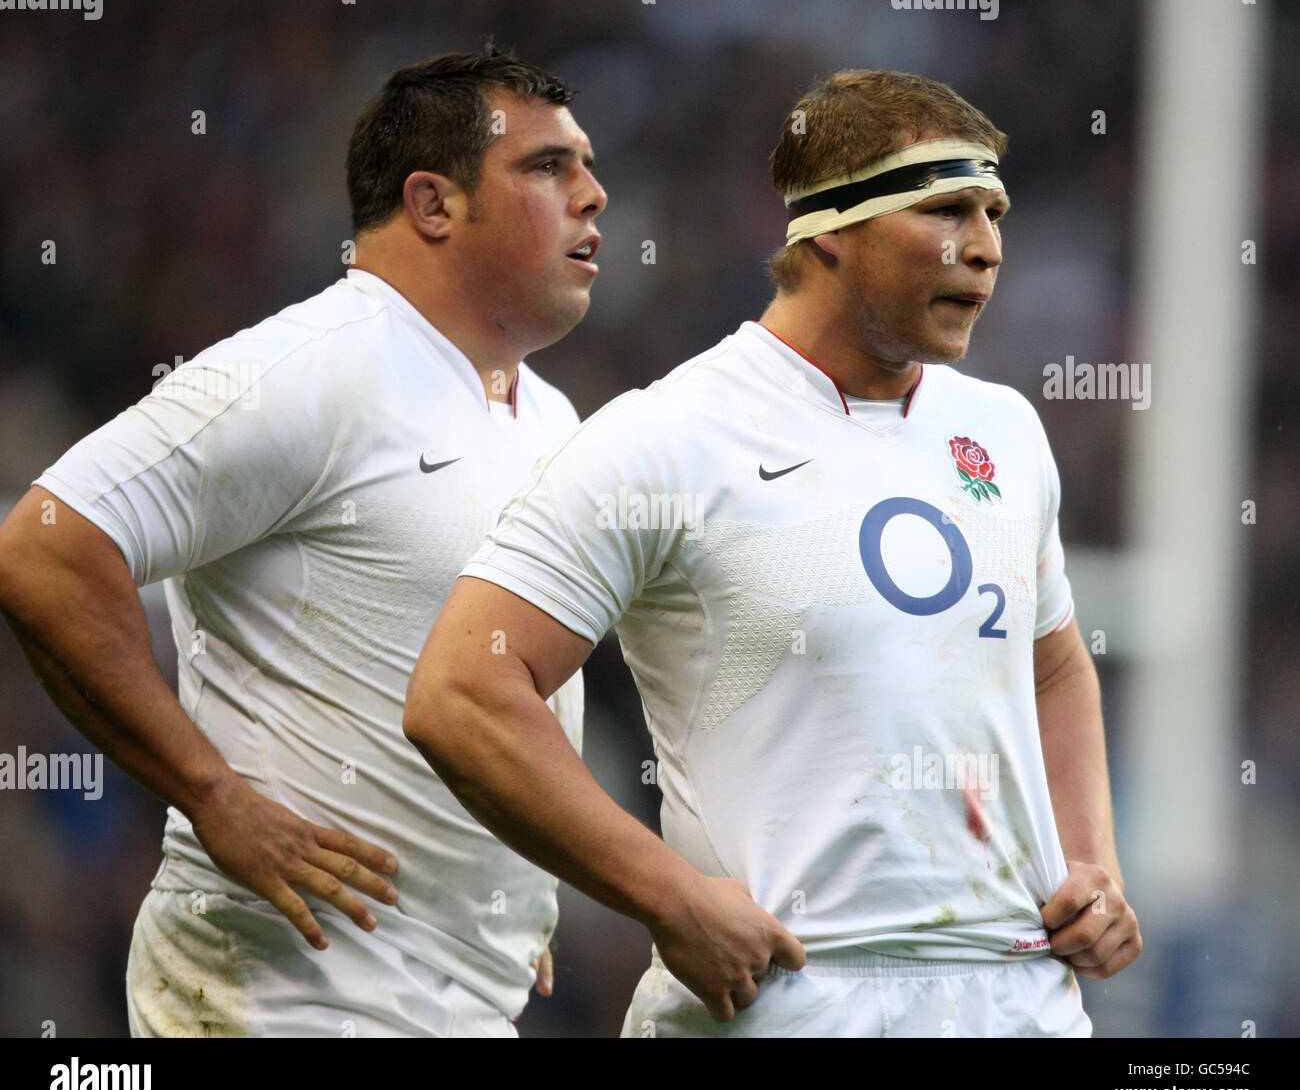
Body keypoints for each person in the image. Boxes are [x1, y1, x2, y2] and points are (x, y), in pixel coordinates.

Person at [403, 69, 1141, 1038]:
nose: (988, 248)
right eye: (947, 210)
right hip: (789, 997)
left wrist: (1089, 860)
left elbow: (1051, 659)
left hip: (1017, 997)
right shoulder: (671, 438)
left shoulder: (1001, 428)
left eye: (994, 211)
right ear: (828, 227)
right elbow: (461, 693)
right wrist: (667, 897)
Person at [0, 44, 606, 1037]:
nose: (593, 194)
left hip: (449, 997)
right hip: (288, 996)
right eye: (547, 167)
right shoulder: (311, 369)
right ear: (433, 204)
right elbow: (44, 547)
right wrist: (211, 795)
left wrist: (503, 879)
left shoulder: (550, 419)